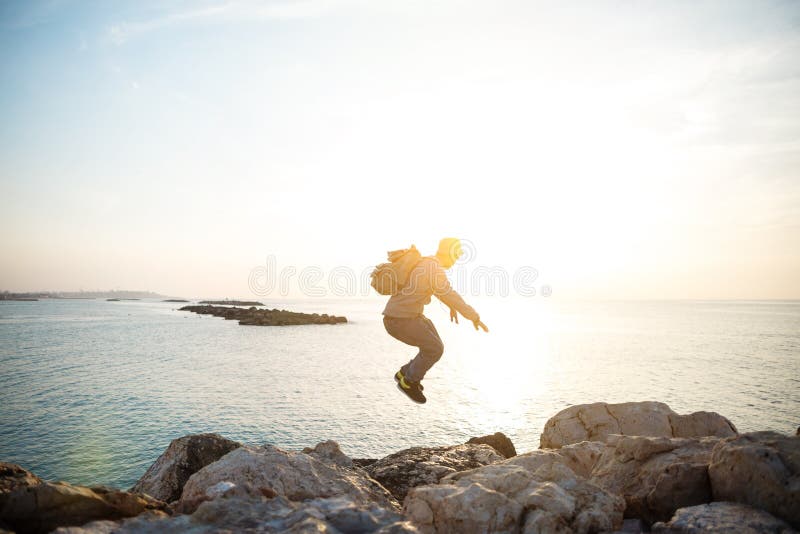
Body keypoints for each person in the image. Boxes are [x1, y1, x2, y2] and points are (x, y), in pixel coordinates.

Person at [382, 237, 489, 403]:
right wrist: (474, 317)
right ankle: (409, 382)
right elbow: (449, 294)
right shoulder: (434, 268)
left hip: (399, 317)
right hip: (400, 320)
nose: (457, 259)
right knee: (435, 349)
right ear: (449, 253)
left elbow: (438, 290)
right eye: (457, 255)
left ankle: (404, 373)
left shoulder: (427, 262)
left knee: (431, 334)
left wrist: (451, 306)